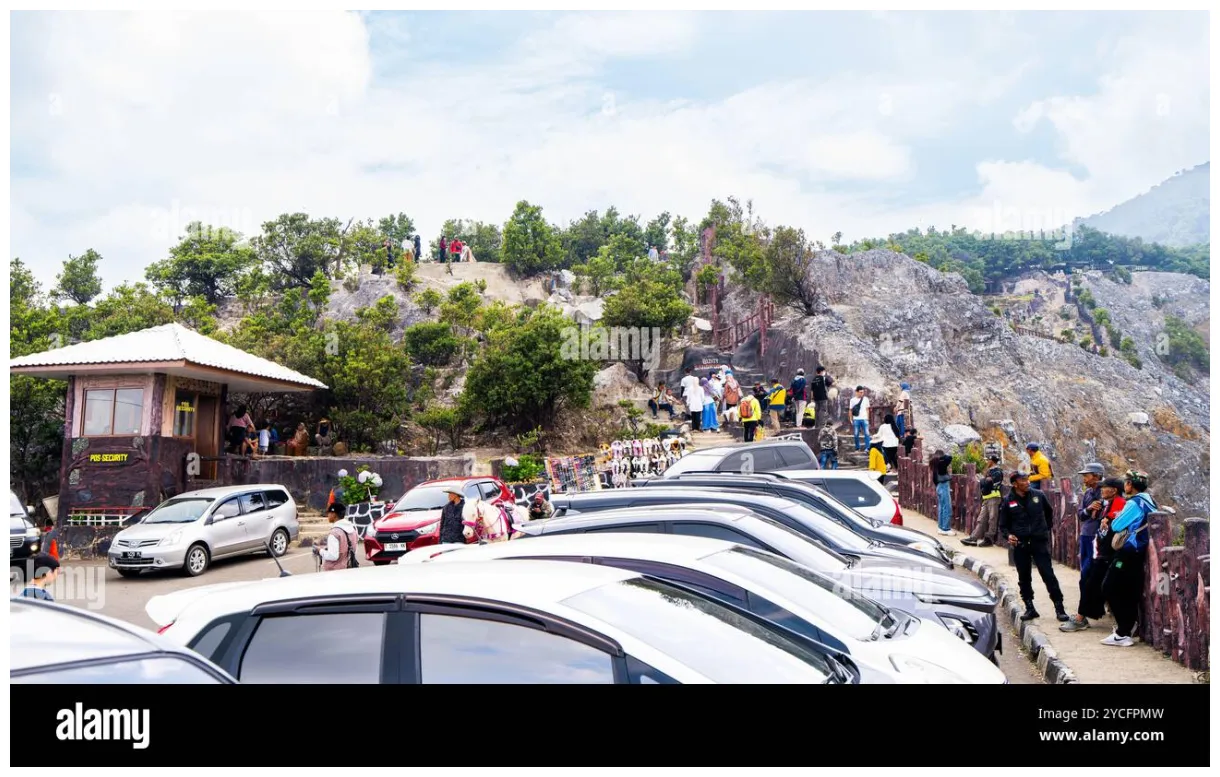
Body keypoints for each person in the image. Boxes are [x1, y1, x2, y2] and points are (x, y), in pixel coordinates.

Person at [999, 472, 1068, 622]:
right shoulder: (1007, 501)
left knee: (1048, 575)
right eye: (1023, 480)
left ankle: (1059, 608)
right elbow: (1003, 525)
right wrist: (1008, 535)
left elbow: (1049, 513)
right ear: (1015, 484)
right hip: (1020, 544)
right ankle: (1030, 608)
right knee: (1024, 577)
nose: (1027, 482)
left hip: (1039, 542)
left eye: (1027, 479)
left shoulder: (1039, 495)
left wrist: (1044, 530)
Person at [1061, 477, 1126, 632]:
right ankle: (1084, 616)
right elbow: (1084, 516)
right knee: (1089, 582)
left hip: (1110, 554)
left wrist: (1107, 521)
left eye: (1105, 487)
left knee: (1094, 584)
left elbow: (1115, 525)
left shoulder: (1119, 504)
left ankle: (1082, 618)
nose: (1101, 490)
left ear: (1114, 490)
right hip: (1102, 552)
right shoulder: (1105, 504)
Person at [1100, 471, 1157, 647]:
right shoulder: (1150, 501)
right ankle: (1126, 629)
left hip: (1129, 550)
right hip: (1140, 551)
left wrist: (1116, 517)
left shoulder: (1135, 502)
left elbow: (1117, 525)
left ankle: (1123, 632)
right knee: (1129, 591)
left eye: (1126, 482)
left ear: (1130, 485)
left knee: (1108, 587)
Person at [1074, 463, 1106, 596]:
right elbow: (1081, 514)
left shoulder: (1105, 492)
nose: (1084, 479)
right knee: (1084, 567)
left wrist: (1093, 511)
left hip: (1097, 536)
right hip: (1086, 534)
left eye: (1086, 476)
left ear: (1097, 476)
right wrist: (1089, 509)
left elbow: (1100, 514)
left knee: (1090, 569)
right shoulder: (1088, 493)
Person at [962, 455, 1004, 547]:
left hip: (994, 498)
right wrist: (984, 481)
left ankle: (989, 539)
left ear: (991, 461)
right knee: (981, 519)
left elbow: (988, 482)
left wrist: (984, 481)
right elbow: (985, 482)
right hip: (986, 498)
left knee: (992, 519)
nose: (986, 462)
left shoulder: (997, 472)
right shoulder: (990, 471)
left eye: (988, 460)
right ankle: (974, 538)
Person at [318, 502, 359, 571]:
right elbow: (354, 550)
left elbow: (333, 556)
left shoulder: (334, 533)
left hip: (334, 572)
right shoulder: (353, 529)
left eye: (329, 513)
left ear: (334, 514)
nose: (327, 515)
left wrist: (320, 551)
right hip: (348, 569)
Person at [929, 449, 953, 535]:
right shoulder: (941, 463)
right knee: (947, 507)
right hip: (943, 485)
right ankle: (946, 529)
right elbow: (950, 457)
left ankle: (941, 527)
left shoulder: (934, 464)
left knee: (941, 507)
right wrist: (942, 456)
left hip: (938, 486)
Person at [810, 366, 835, 433]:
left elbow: (812, 390)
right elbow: (830, 384)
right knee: (823, 411)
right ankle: (821, 427)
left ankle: (816, 426)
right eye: (824, 371)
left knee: (817, 411)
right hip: (823, 397)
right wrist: (835, 381)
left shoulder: (814, 379)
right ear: (821, 371)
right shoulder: (823, 378)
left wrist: (812, 398)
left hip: (816, 398)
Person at [680, 368, 703, 432]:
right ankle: (697, 427)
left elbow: (682, 388)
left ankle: (690, 420)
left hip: (686, 394)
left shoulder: (683, 379)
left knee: (687, 408)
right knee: (697, 413)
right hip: (697, 401)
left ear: (685, 372)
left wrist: (681, 396)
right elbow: (702, 397)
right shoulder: (694, 379)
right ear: (690, 371)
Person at [850, 386, 871, 450]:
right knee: (856, 434)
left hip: (864, 418)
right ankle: (857, 447)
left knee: (867, 434)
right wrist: (851, 419)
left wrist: (867, 418)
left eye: (863, 392)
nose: (862, 393)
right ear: (856, 392)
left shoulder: (866, 399)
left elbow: (867, 409)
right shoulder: (852, 400)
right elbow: (850, 410)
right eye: (860, 392)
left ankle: (867, 448)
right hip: (856, 419)